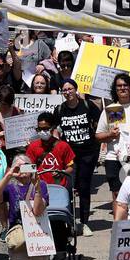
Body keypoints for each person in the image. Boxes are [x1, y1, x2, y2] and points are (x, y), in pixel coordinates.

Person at [55, 78, 100, 234]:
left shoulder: (87, 106)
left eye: (70, 89)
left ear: (76, 90)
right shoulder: (60, 109)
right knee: (68, 188)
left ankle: (84, 222)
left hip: (88, 153)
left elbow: (102, 121)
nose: (67, 92)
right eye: (64, 90)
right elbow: (53, 129)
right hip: (69, 156)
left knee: (84, 187)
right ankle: (70, 221)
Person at [26, 113, 75, 187]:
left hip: (59, 187)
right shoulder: (33, 146)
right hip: (39, 187)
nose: (42, 132)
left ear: (53, 128)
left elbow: (71, 167)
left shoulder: (63, 146)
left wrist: (62, 173)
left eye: (45, 129)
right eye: (40, 129)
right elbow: (27, 167)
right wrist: (35, 171)